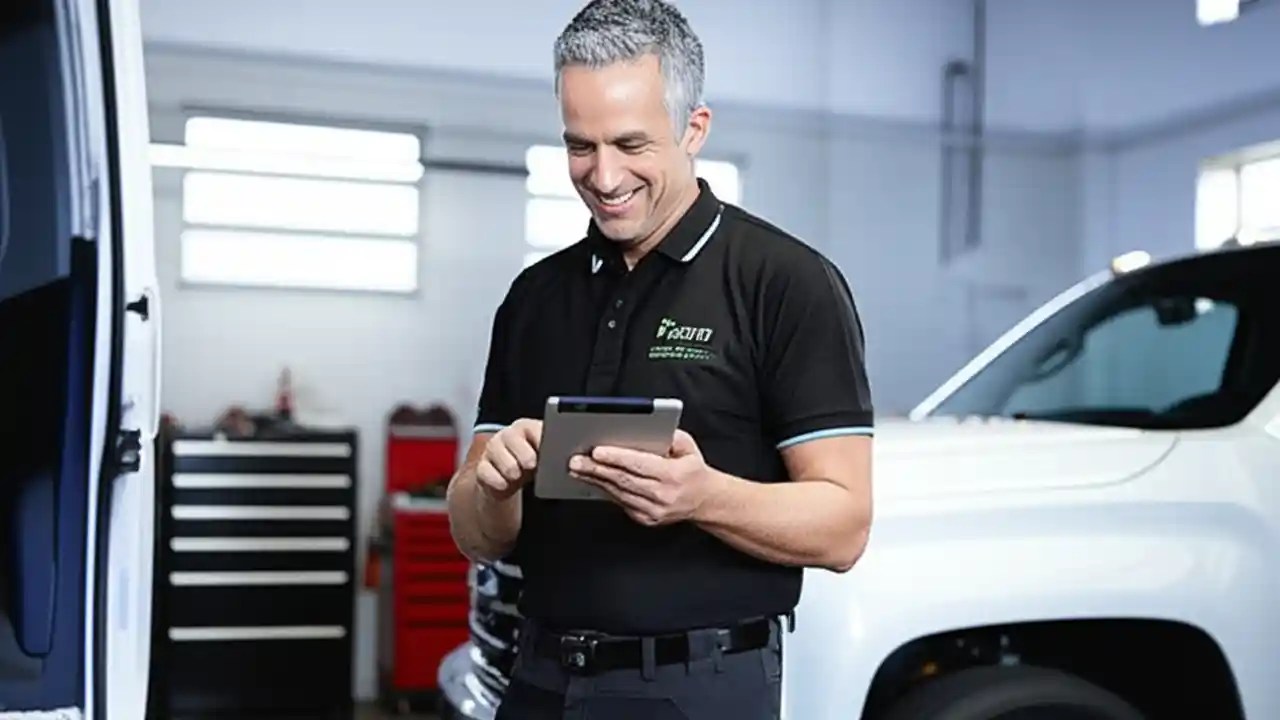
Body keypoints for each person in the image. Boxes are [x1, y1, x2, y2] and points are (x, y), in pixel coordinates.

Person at [445, 0, 874, 717]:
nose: (603, 176)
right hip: (539, 679)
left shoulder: (785, 283)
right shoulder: (534, 298)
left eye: (631, 144)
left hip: (696, 689)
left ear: (693, 129)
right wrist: (492, 486)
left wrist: (703, 497)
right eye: (580, 146)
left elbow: (843, 527)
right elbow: (474, 534)